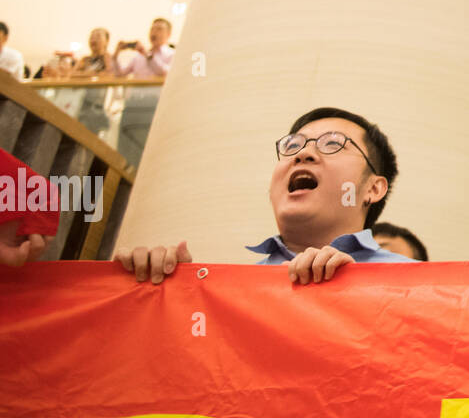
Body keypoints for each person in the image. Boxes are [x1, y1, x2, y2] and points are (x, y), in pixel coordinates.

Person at [110, 108, 414, 284]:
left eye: (332, 144)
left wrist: (359, 292)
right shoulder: (222, 293)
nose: (304, 153)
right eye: (293, 145)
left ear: (374, 188)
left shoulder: (414, 284)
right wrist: (161, 295)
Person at [112, 18, 175, 166]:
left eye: (159, 29)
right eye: (152, 29)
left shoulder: (171, 54)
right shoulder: (138, 56)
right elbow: (120, 74)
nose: (154, 32)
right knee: (125, 144)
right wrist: (116, 55)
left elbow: (164, 73)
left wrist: (147, 55)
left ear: (168, 34)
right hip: (133, 103)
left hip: (154, 104)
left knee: (146, 145)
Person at [70, 27, 113, 135]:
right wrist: (91, 74)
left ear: (106, 41)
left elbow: (109, 74)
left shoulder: (107, 57)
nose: (94, 39)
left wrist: (85, 75)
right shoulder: (85, 59)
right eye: (92, 36)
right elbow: (72, 75)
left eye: (98, 36)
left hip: (97, 105)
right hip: (81, 103)